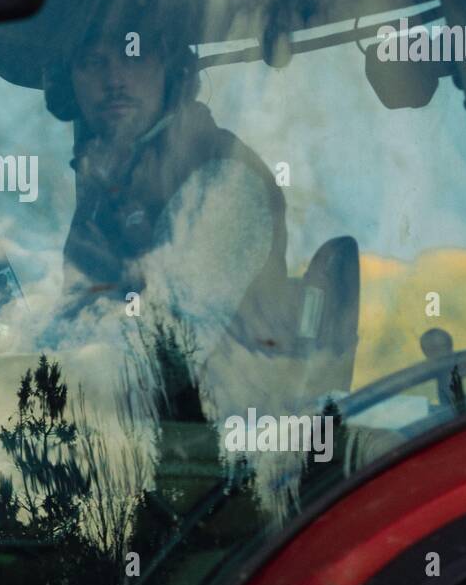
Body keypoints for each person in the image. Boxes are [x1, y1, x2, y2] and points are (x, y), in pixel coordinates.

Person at [45, 38, 293, 368]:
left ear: (172, 69)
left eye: (135, 55)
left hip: (214, 417)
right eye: (93, 62)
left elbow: (174, 352)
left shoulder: (225, 181)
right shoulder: (111, 186)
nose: (114, 79)